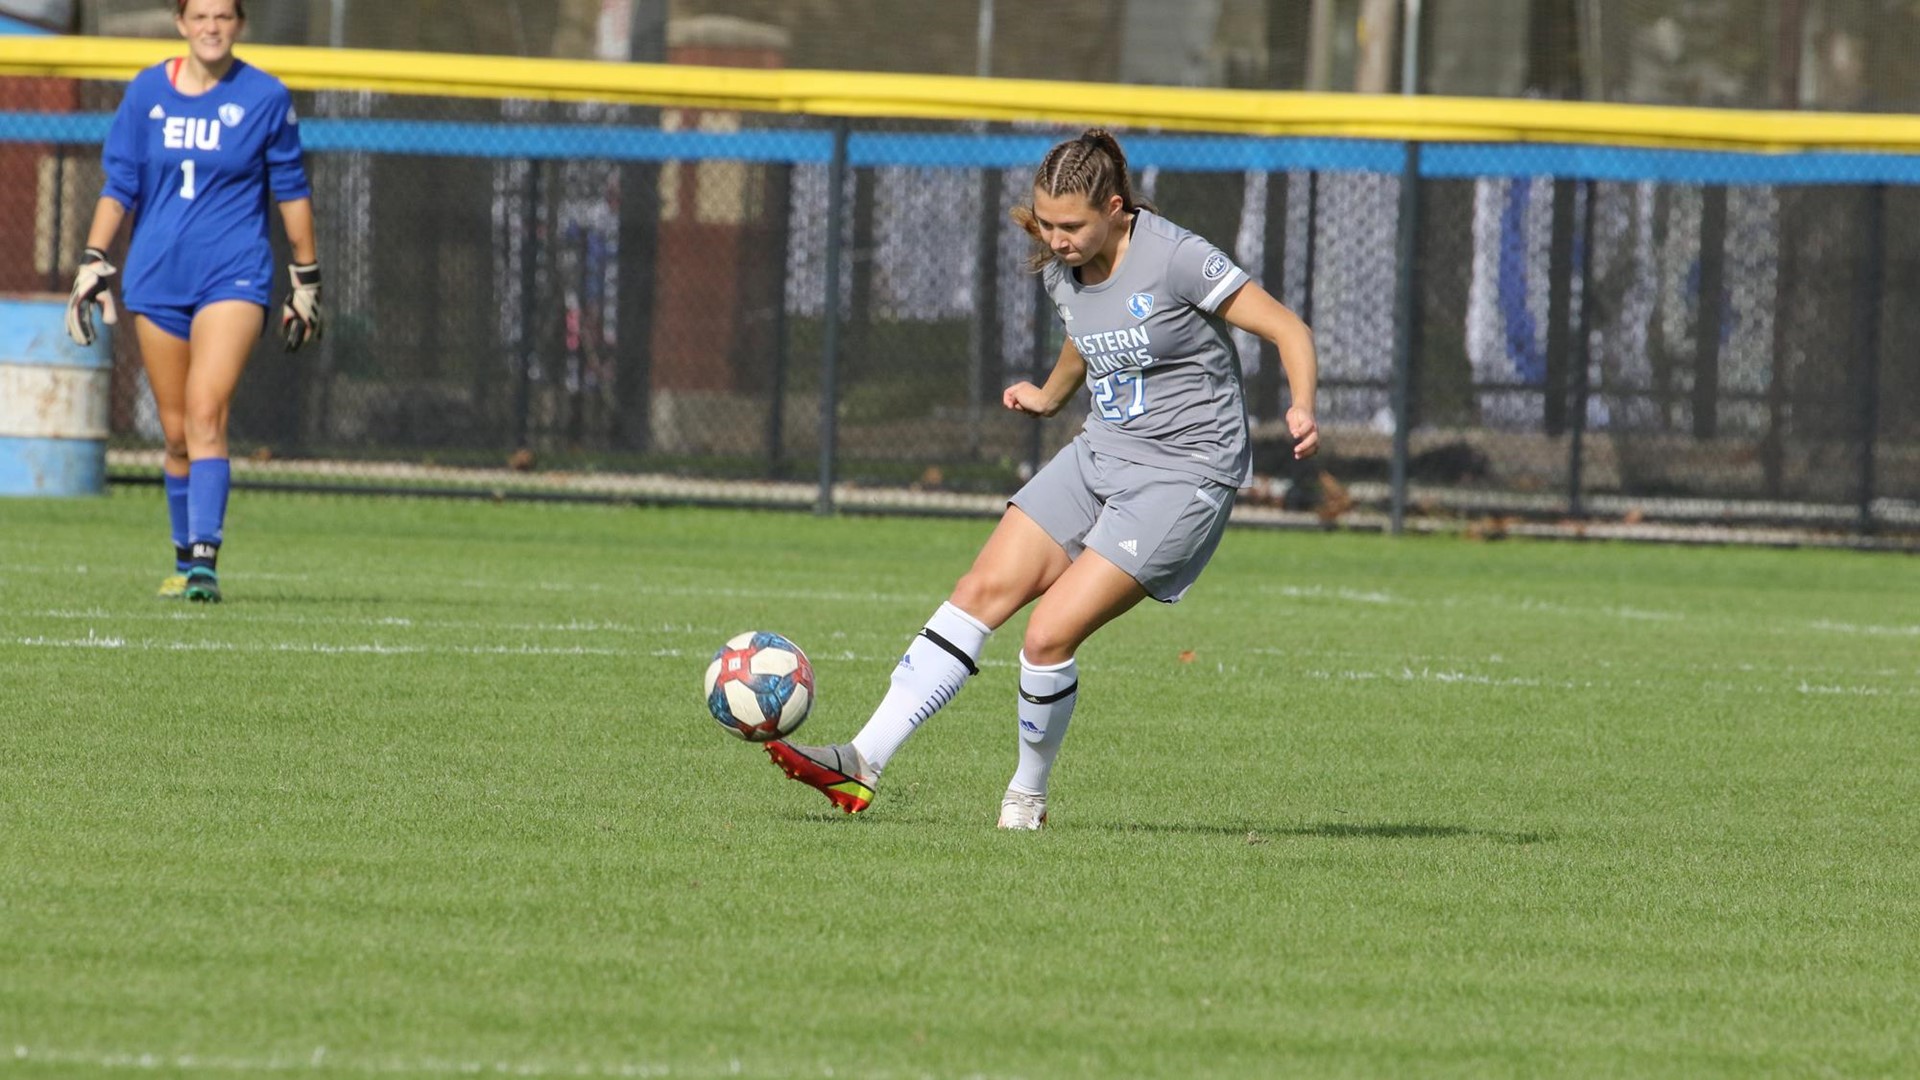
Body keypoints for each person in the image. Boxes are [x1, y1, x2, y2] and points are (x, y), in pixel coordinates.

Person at [769, 129, 1319, 828]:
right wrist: (1052, 397)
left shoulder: (1177, 258)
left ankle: (1026, 799)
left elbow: (1289, 329)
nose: (1054, 239)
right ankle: (860, 763)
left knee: (1047, 636)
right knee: (979, 591)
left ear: (1116, 208)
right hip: (1100, 453)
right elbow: (1083, 330)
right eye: (1046, 223)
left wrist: (1302, 405)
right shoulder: (1065, 265)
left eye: (1070, 226)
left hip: (1183, 478)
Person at [65, 0, 322, 604]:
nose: (212, 26)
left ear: (240, 24)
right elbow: (120, 185)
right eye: (200, 16)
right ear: (181, 23)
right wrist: (92, 259)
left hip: (233, 276)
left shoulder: (264, 97)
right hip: (156, 279)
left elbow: (291, 190)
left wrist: (306, 280)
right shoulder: (146, 92)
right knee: (177, 433)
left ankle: (205, 561)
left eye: (224, 16)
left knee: (208, 412)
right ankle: (183, 559)